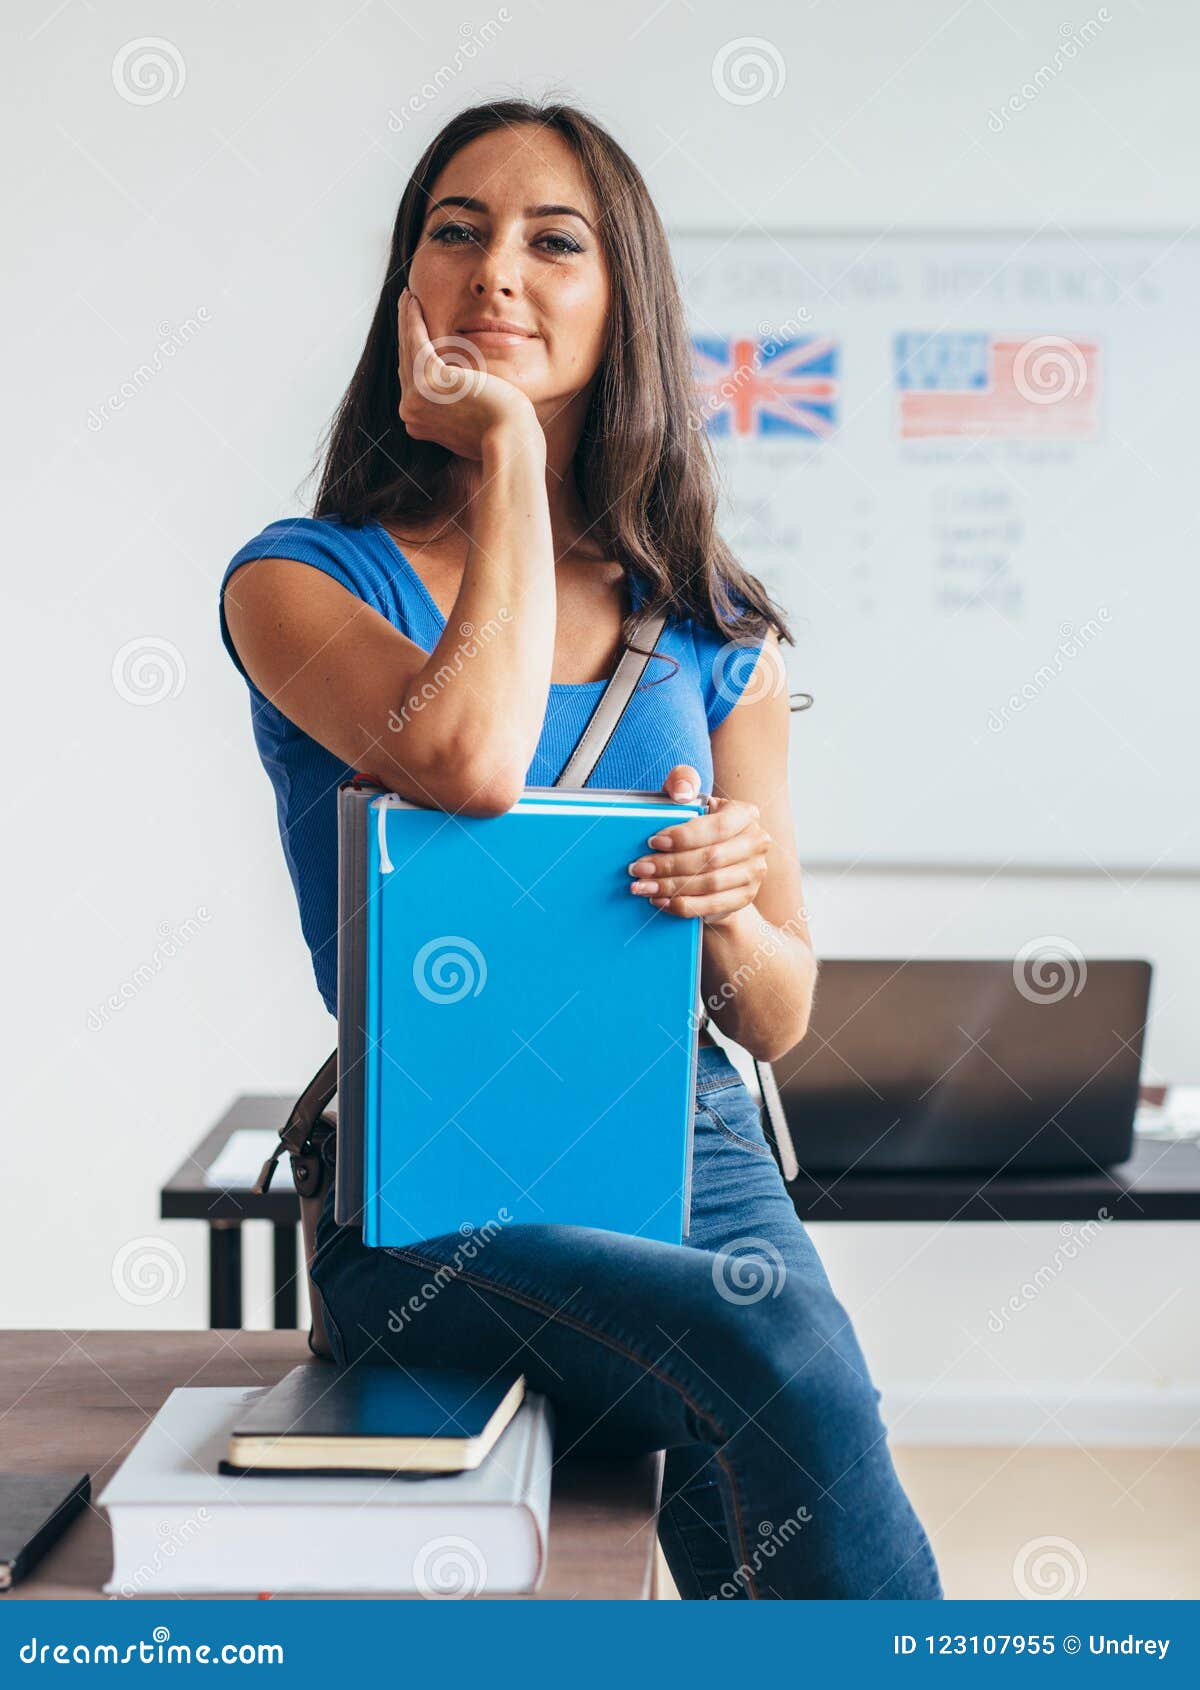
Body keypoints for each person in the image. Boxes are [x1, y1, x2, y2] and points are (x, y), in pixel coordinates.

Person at [218, 97, 941, 1600]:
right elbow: (469, 762)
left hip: (686, 1142)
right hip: (433, 1170)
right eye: (455, 232)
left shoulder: (712, 633)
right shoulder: (298, 582)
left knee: (752, 1469)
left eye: (556, 243)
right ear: (406, 288)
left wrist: (724, 913)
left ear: (625, 309)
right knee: (766, 1345)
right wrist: (500, 457)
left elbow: (779, 1012)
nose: (497, 274)